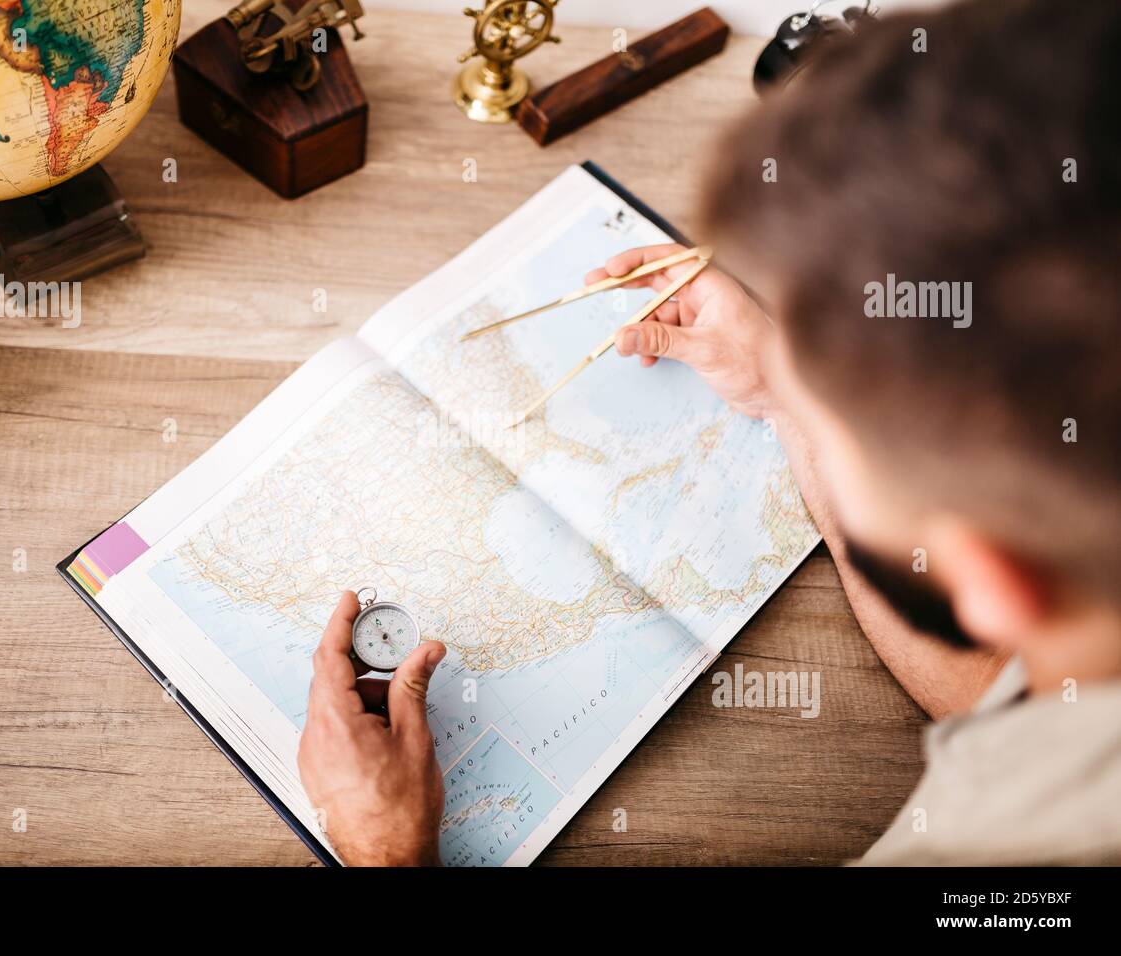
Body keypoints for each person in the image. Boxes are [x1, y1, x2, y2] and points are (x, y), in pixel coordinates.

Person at [296, 0, 1121, 866]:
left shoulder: (1002, 855)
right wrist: (789, 397)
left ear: (991, 583)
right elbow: (1013, 694)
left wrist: (388, 851)